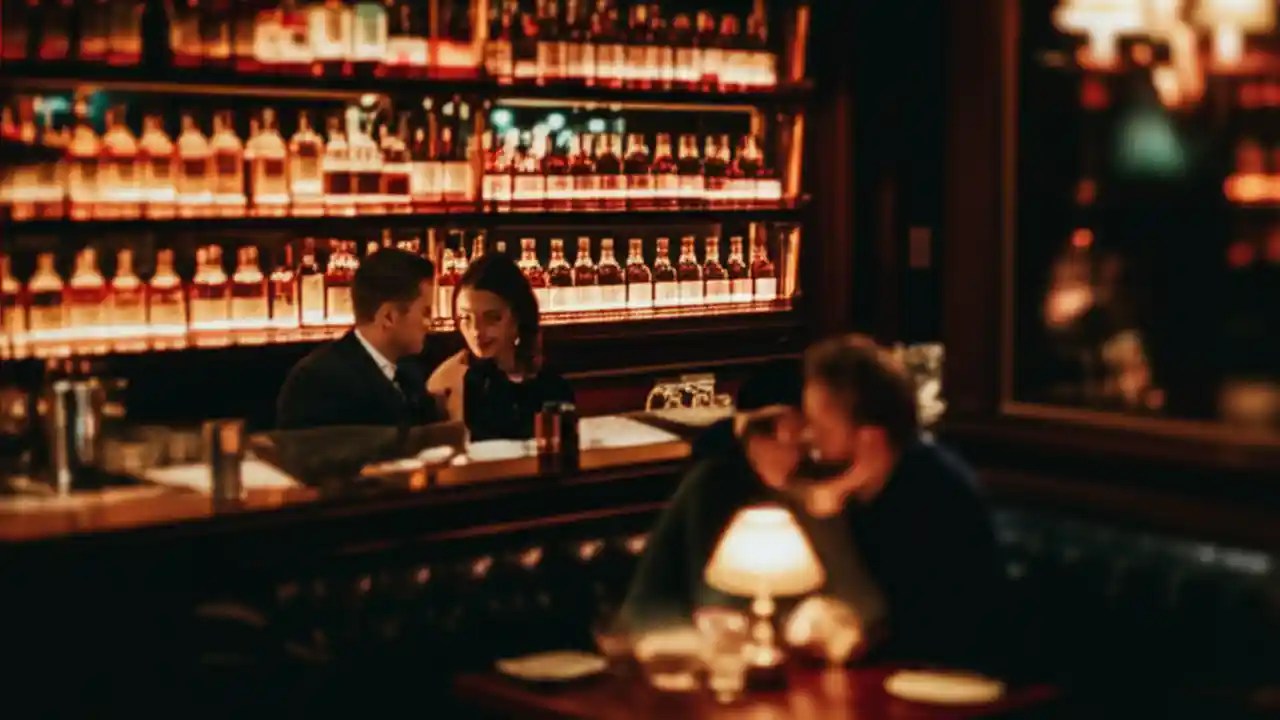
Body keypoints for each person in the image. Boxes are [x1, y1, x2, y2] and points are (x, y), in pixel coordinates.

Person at [626, 335, 1008, 670]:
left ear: (869, 439)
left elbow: (925, 629)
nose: (810, 437)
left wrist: (847, 634)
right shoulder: (826, 482)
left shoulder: (932, 497)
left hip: (949, 677)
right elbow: (720, 445)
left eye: (820, 425)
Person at [276, 248, 439, 430]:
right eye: (426, 312)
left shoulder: (410, 373)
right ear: (388, 317)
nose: (429, 323)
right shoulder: (318, 382)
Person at [427, 253, 573, 441]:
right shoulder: (448, 383)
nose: (476, 331)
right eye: (466, 318)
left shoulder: (551, 382)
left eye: (492, 318)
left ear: (518, 317)